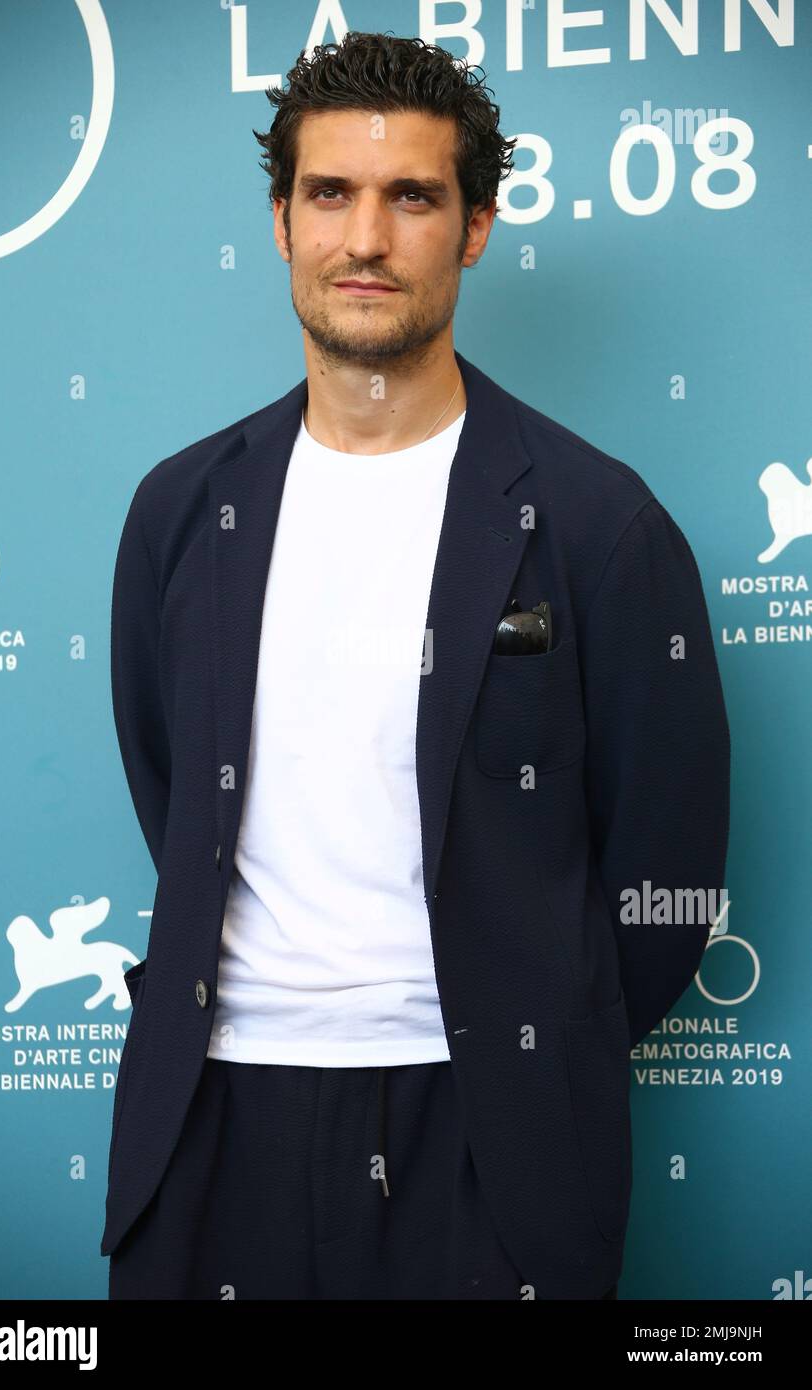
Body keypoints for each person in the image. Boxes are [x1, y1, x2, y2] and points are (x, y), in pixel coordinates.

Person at [102, 32, 730, 1300]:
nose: (366, 239)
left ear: (478, 225)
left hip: (490, 1139)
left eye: (413, 197)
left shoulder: (597, 521)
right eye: (329, 194)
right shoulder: (182, 510)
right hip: (213, 1119)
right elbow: (169, 782)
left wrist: (543, 1043)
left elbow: (665, 870)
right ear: (279, 223)